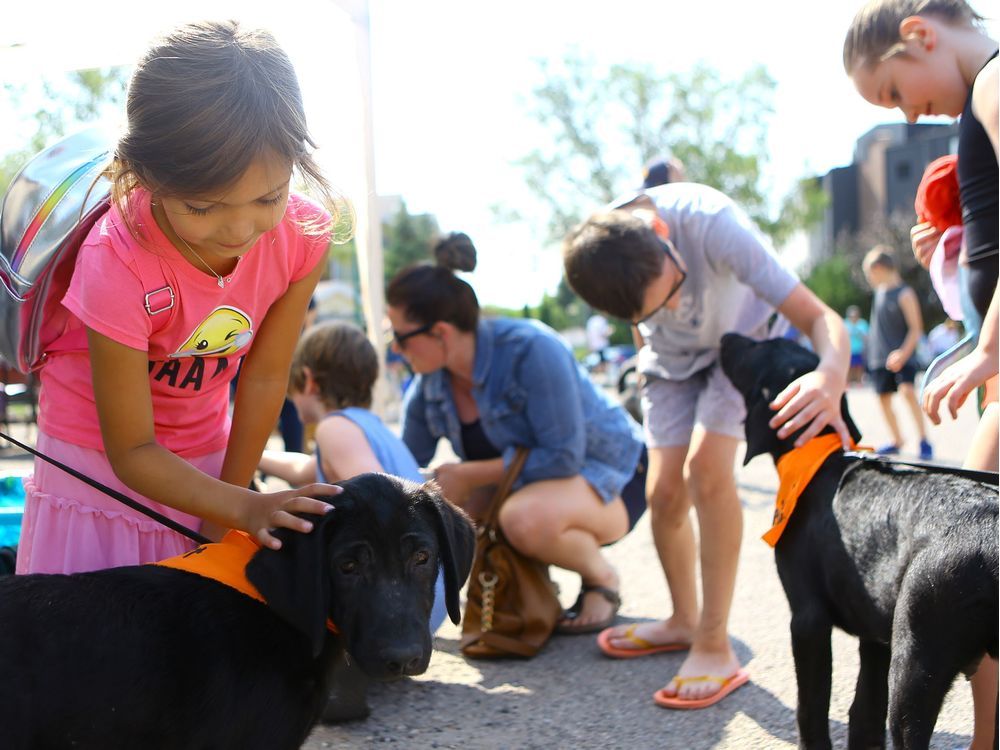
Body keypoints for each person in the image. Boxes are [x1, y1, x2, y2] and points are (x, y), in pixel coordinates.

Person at [16, 20, 350, 575]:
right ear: (144, 172)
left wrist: (230, 504)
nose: (240, 229)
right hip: (96, 469)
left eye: (268, 197)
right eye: (203, 207)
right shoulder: (116, 257)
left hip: (207, 455)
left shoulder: (301, 237)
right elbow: (132, 452)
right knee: (103, 642)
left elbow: (265, 378)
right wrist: (244, 504)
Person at [562, 183, 851, 710]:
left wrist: (830, 376)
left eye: (674, 288)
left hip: (741, 344)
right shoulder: (605, 260)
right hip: (671, 365)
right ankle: (682, 620)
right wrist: (649, 337)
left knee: (707, 472)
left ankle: (715, 644)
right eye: (656, 308)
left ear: (663, 233)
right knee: (663, 494)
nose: (672, 305)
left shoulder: (713, 223)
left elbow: (820, 317)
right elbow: (644, 329)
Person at [845, 3, 998, 744]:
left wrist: (990, 345)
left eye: (896, 94)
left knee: (973, 545)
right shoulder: (979, 103)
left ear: (921, 36)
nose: (906, 120)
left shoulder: (997, 81)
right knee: (980, 555)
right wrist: (952, 254)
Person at [388, 231, 648, 637]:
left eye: (400, 338)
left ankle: (602, 579)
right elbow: (400, 470)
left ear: (440, 332)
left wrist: (469, 475)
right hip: (543, 488)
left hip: (616, 473)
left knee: (522, 518)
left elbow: (562, 455)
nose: (395, 351)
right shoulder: (429, 385)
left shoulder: (531, 348)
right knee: (435, 507)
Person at [258, 321, 448, 632]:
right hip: (422, 594)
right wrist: (254, 457)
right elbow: (303, 470)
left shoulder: (334, 428)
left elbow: (376, 498)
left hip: (400, 605)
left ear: (307, 380)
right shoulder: (366, 427)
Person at [861, 247, 933, 459]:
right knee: (883, 398)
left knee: (907, 392)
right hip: (879, 358)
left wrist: (902, 353)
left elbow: (915, 328)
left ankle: (924, 439)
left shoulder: (905, 293)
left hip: (904, 355)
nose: (868, 278)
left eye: (869, 273)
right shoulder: (879, 293)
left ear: (879, 268)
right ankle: (897, 439)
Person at [844, 305, 870, 384]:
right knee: (848, 367)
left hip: (860, 349)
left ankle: (859, 382)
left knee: (859, 367)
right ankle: (847, 382)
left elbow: (867, 336)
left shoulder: (862, 324)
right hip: (849, 350)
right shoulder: (845, 323)